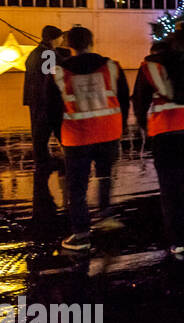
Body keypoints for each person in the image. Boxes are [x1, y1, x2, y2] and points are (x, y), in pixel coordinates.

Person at [48, 27, 129, 251]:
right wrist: (119, 126)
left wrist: (59, 135)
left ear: (68, 44)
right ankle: (105, 214)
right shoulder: (111, 67)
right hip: (108, 133)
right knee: (104, 176)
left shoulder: (59, 72)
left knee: (77, 188)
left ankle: (81, 235)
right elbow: (123, 98)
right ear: (92, 42)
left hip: (77, 137)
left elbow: (52, 110)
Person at [132, 31, 184, 255]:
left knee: (171, 187)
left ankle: (179, 237)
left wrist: (145, 129)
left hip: (165, 134)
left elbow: (139, 102)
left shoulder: (150, 68)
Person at [23, 24, 67, 216]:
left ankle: (43, 158)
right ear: (53, 38)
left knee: (39, 132)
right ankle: (49, 159)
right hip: (46, 100)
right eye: (60, 37)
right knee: (53, 129)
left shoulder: (36, 53)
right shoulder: (48, 54)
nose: (63, 40)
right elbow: (50, 77)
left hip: (35, 99)